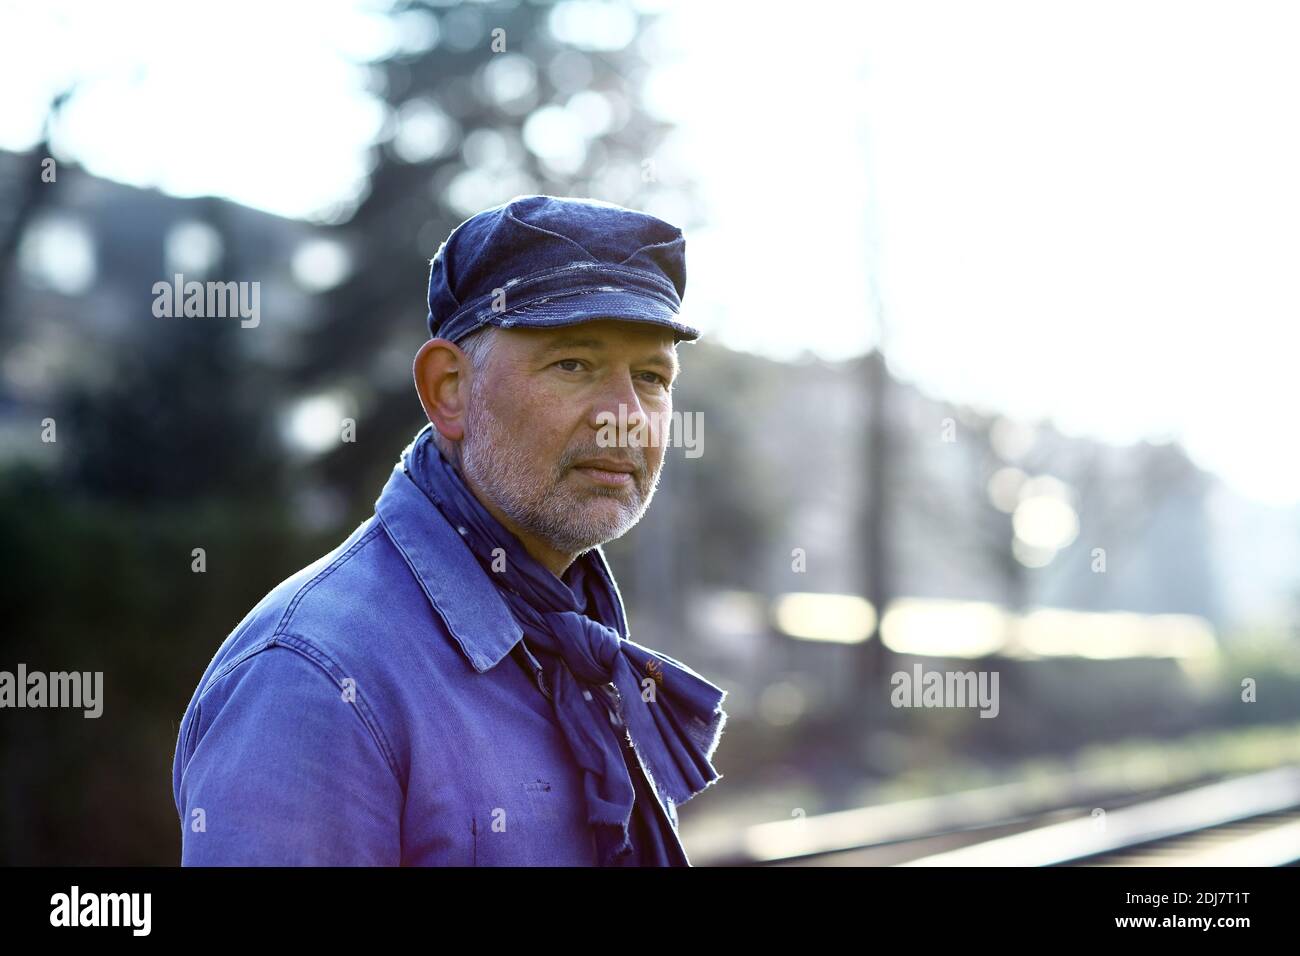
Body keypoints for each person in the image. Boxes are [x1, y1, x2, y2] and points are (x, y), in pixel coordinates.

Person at [171, 195, 728, 866]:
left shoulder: (578, 646)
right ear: (449, 390)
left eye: (650, 377)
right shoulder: (311, 680)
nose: (624, 417)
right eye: (573, 365)